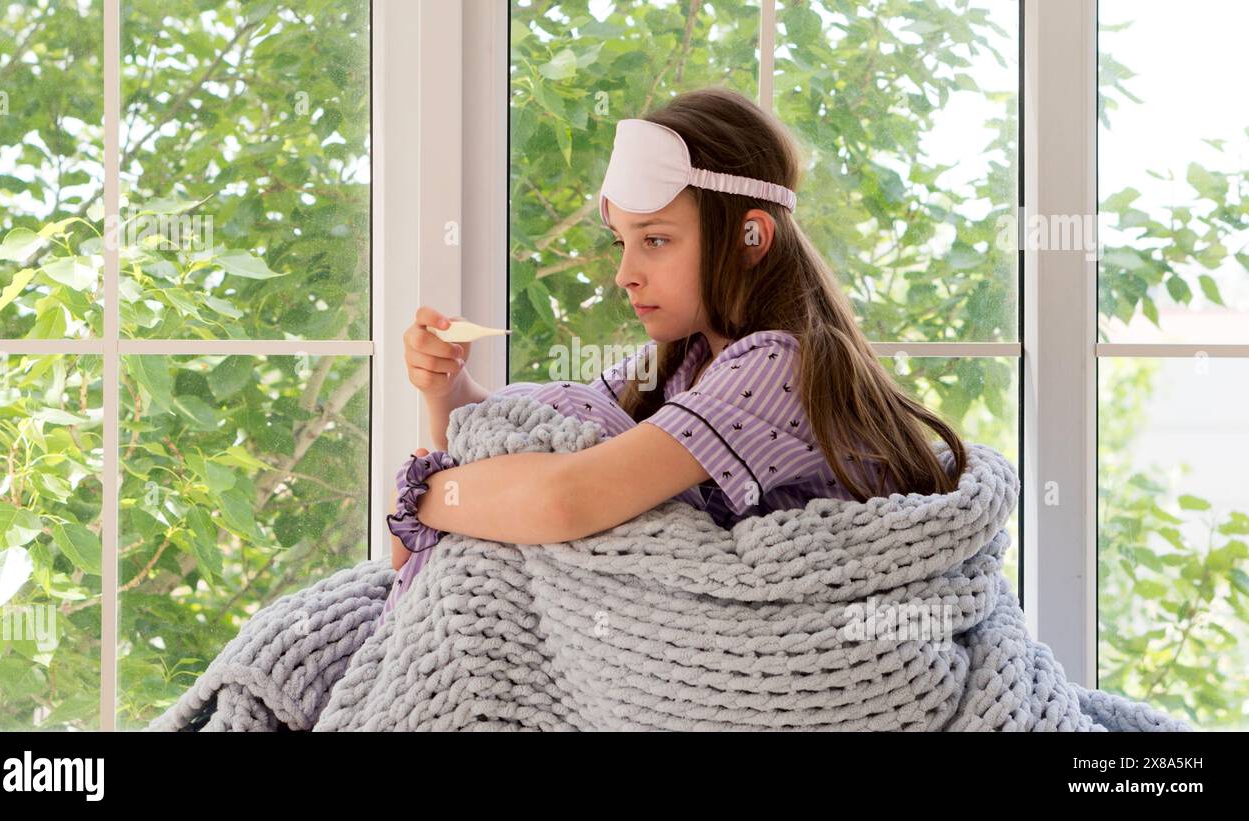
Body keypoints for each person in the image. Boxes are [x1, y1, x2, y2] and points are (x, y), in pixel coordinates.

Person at [380, 86, 967, 624]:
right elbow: (538, 431)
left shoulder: (777, 365)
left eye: (655, 241)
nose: (624, 275)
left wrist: (423, 498)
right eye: (623, 243)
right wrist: (450, 391)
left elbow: (564, 499)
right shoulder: (678, 361)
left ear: (751, 238)